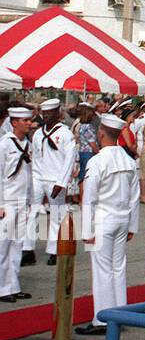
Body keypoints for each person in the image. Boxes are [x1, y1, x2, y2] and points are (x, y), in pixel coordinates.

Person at [75, 113, 140, 336]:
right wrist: (132, 225)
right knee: (118, 268)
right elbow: (134, 196)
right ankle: (119, 314)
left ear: (101, 133)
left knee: (102, 271)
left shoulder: (97, 161)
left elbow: (89, 198)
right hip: (122, 219)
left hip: (103, 221)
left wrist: (86, 229)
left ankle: (102, 319)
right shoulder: (128, 161)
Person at [27, 99, 76, 266]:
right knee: (31, 212)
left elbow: (69, 160)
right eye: (43, 113)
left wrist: (61, 182)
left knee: (56, 214)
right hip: (38, 177)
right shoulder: (38, 134)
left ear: (58, 114)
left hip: (55, 179)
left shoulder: (65, 134)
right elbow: (36, 157)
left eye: (49, 113)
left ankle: (54, 250)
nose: (45, 116)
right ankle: (27, 249)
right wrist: (32, 178)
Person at [0, 106, 34, 302]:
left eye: (29, 120)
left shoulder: (26, 143)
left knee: (17, 246)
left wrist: (30, 202)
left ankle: (13, 285)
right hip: (8, 202)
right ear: (14, 123)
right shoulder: (4, 144)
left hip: (22, 201)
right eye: (24, 120)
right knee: (3, 246)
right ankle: (2, 288)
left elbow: (27, 175)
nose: (29, 123)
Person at [74, 103, 98, 184]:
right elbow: (92, 143)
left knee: (82, 175)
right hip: (89, 152)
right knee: (86, 176)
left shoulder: (82, 126)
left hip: (82, 151)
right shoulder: (89, 127)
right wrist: (99, 152)